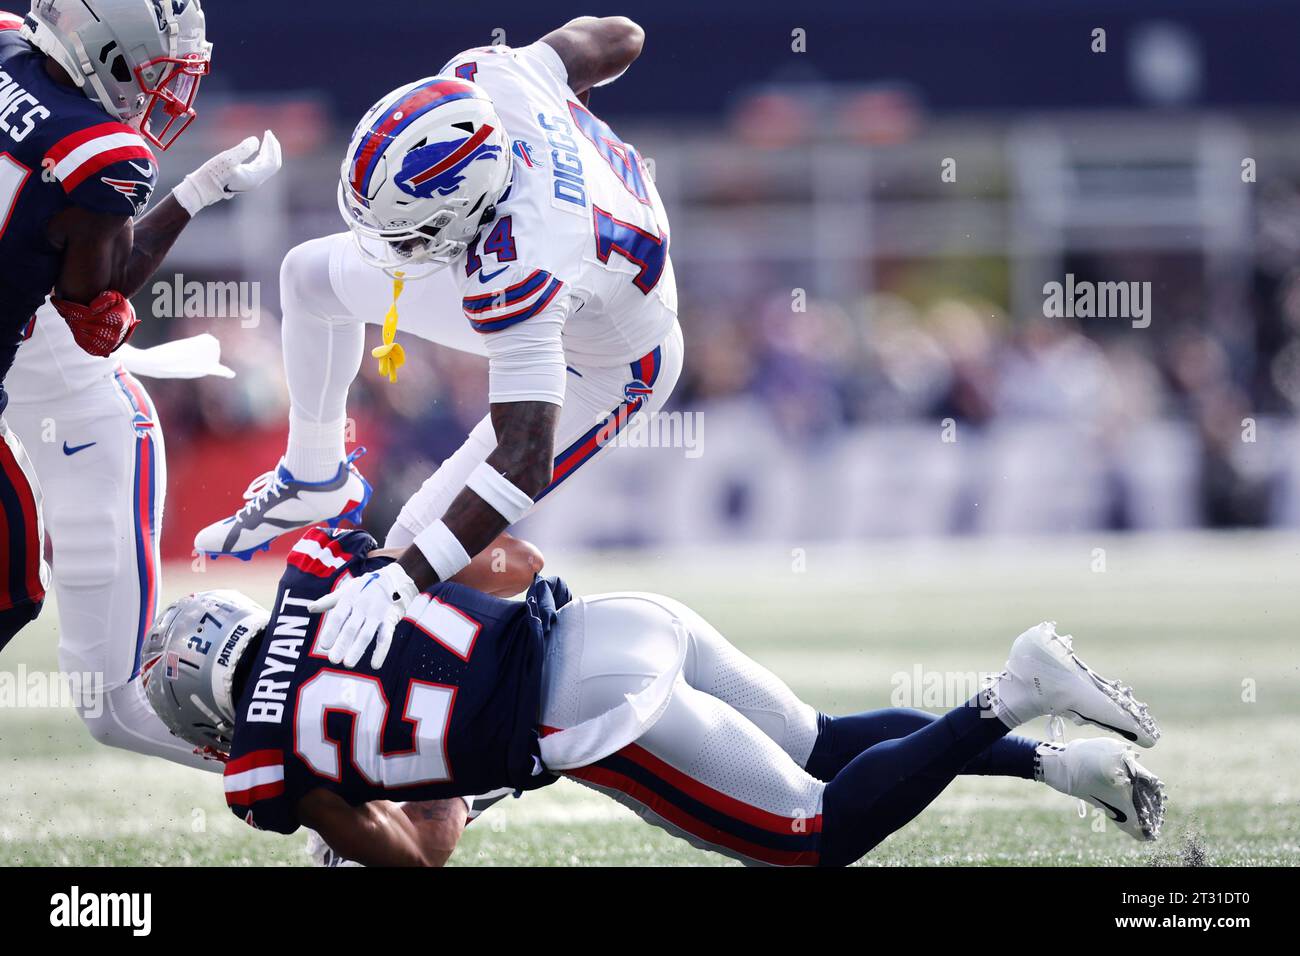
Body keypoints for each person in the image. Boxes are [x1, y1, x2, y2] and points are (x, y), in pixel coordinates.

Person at [143, 525, 1166, 867]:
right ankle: (1064, 763)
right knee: (818, 739)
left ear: (206, 716)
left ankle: (1011, 692)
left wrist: (444, 783)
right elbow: (513, 557)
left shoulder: (264, 766)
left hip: (587, 711)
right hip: (619, 619)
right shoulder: (319, 574)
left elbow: (419, 857)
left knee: (811, 837)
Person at [192, 17, 681, 668]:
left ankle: (513, 659)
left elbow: (523, 460)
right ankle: (316, 472)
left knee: (411, 548)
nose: (392, 249)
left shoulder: (524, 261)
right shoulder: (494, 74)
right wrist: (564, 110)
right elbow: (623, 33)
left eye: (408, 232)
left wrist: (402, 579)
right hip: (577, 265)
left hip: (611, 361)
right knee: (309, 276)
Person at [0, 0, 280, 762]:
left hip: (78, 411)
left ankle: (319, 781)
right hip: (51, 394)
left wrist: (194, 193)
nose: (163, 93)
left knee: (112, 702)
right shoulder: (98, 152)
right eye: (154, 70)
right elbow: (98, 311)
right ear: (106, 49)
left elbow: (87, 325)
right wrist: (196, 194)